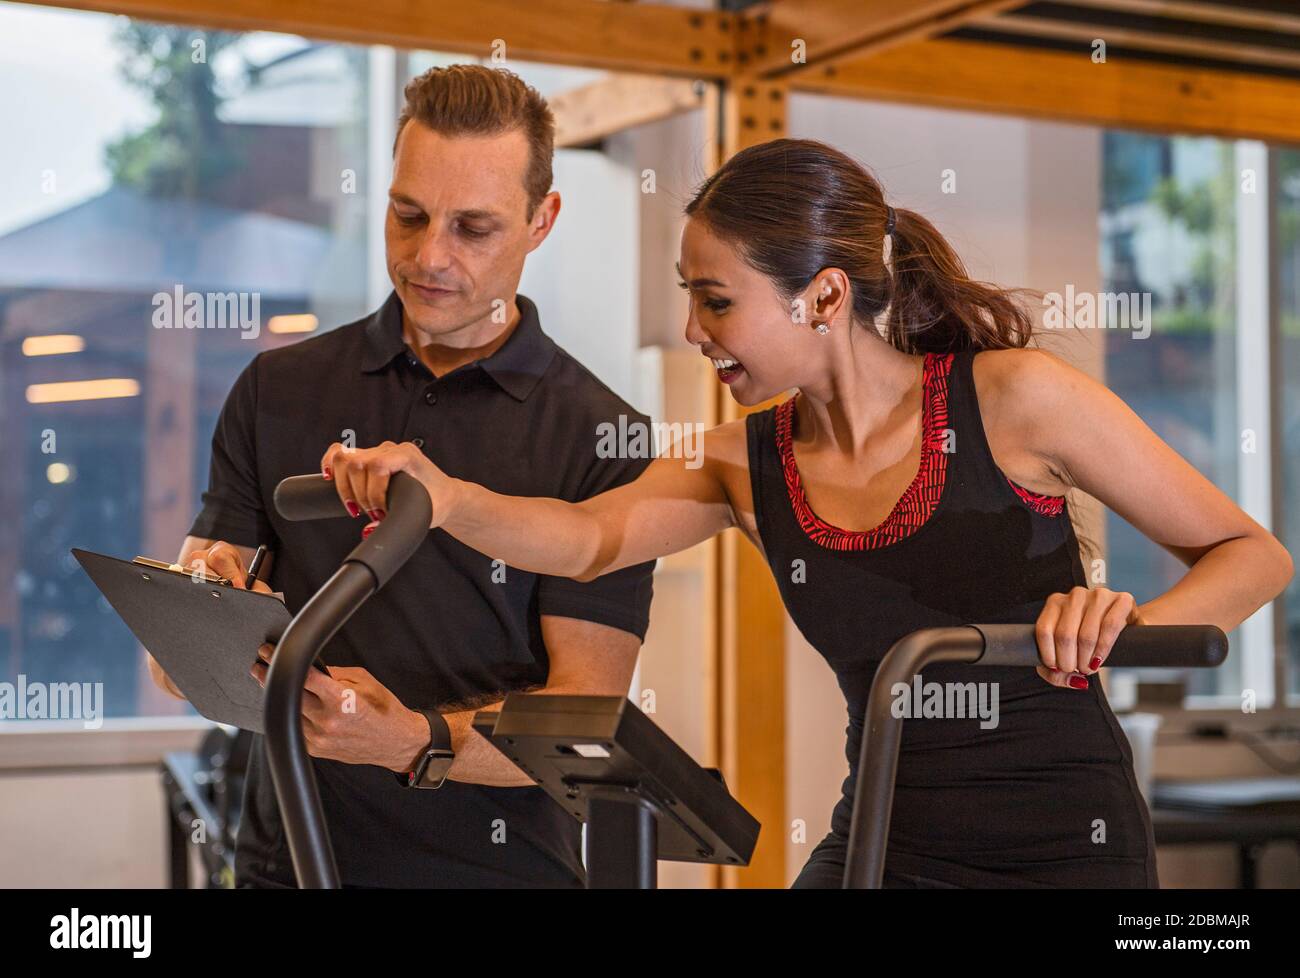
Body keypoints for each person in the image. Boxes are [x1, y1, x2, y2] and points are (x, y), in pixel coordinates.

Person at [324, 137, 1294, 888]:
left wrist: (1125, 629)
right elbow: (585, 539)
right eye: (687, 300)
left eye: (716, 301)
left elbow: (1250, 555)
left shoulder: (1014, 399)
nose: (694, 332)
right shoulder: (741, 461)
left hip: (1059, 841)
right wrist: (446, 499)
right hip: (884, 831)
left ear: (823, 295)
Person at [146, 64, 656, 888]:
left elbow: (584, 724)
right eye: (407, 215)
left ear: (542, 220)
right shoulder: (277, 391)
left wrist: (413, 740)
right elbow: (175, 664)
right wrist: (202, 616)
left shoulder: (604, 437)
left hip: (502, 874)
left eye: (474, 228)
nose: (429, 257)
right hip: (290, 862)